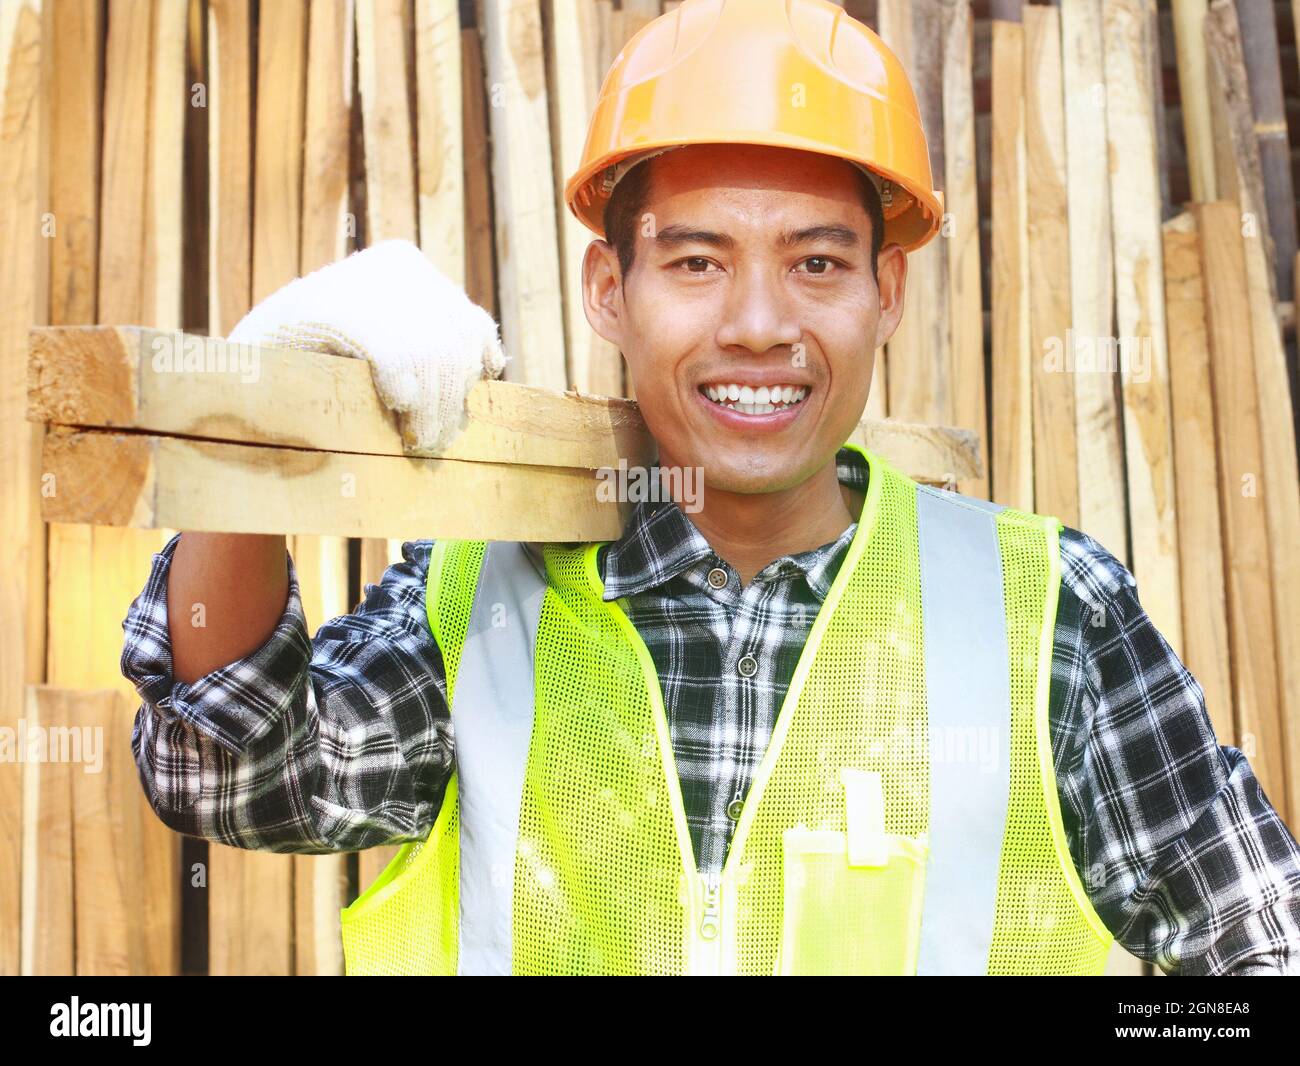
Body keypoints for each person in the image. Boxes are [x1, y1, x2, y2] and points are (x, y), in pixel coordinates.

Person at [122, 0, 1300, 974]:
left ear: (885, 292)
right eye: (695, 261)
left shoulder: (1050, 614)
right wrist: (255, 430)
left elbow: (1258, 944)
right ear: (608, 288)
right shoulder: (477, 602)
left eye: (816, 263)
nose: (757, 325)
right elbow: (229, 777)